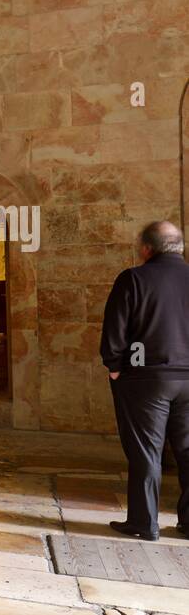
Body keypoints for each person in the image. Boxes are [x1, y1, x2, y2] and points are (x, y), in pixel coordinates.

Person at [100, 221, 189, 540]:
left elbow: (115, 329)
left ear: (146, 248)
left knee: (146, 451)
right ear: (179, 247)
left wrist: (114, 366)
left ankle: (144, 522)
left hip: (146, 378)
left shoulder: (134, 278)